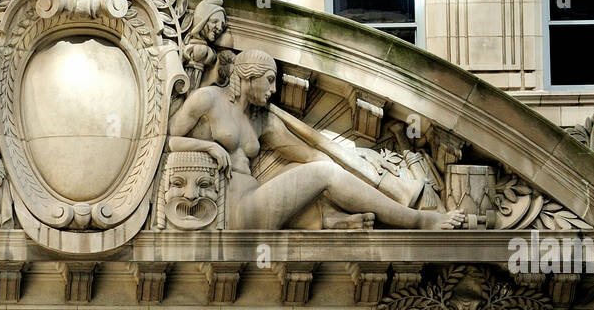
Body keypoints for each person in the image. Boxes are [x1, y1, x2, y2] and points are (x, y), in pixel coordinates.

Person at [166, 48, 466, 231]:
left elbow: (310, 155)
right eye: (270, 80)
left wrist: (360, 162)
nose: (273, 90)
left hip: (255, 203)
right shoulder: (207, 99)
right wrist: (206, 145)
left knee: (322, 171)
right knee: (324, 175)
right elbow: (167, 141)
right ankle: (417, 221)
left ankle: (333, 219)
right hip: (228, 211)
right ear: (248, 75)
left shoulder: (261, 120)